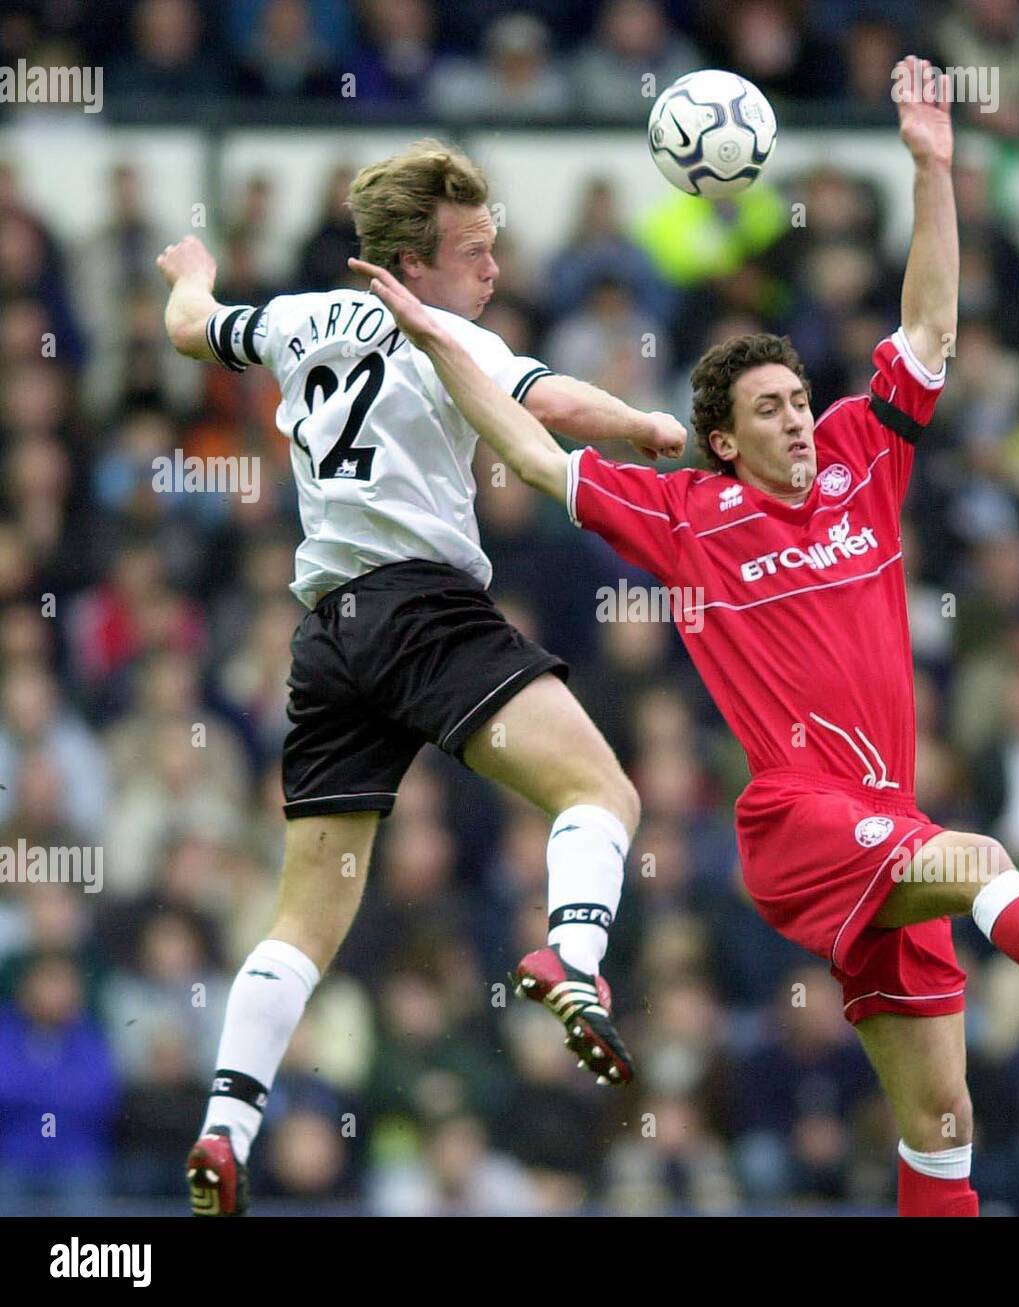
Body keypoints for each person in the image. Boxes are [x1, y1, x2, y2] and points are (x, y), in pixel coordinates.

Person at [353, 58, 1019, 1219]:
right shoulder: (688, 514)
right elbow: (534, 455)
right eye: (770, 409)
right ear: (724, 441)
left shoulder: (860, 461)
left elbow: (929, 324)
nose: (797, 419)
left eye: (797, 398)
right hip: (798, 821)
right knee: (981, 860)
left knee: (942, 1125)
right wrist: (435, 338)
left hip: (888, 825)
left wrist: (929, 166)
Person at [157, 138, 686, 1216]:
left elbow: (190, 328)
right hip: (423, 610)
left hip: (329, 633)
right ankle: (573, 955)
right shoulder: (446, 334)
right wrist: (646, 424)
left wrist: (193, 272)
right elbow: (551, 402)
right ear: (411, 261)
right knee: (601, 791)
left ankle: (224, 1125)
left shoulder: (298, 318)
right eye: (473, 251)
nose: (492, 269)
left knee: (306, 917)